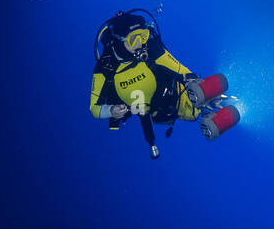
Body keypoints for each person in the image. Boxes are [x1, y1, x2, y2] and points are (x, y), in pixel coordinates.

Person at [89, 9, 239, 158]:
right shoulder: (105, 68)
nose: (139, 43)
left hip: (170, 90)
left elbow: (177, 67)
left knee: (194, 102)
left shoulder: (151, 47)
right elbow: (94, 108)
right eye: (133, 39)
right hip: (153, 110)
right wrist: (112, 110)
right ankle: (207, 109)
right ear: (119, 39)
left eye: (143, 36)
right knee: (191, 114)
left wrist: (192, 80)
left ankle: (214, 104)